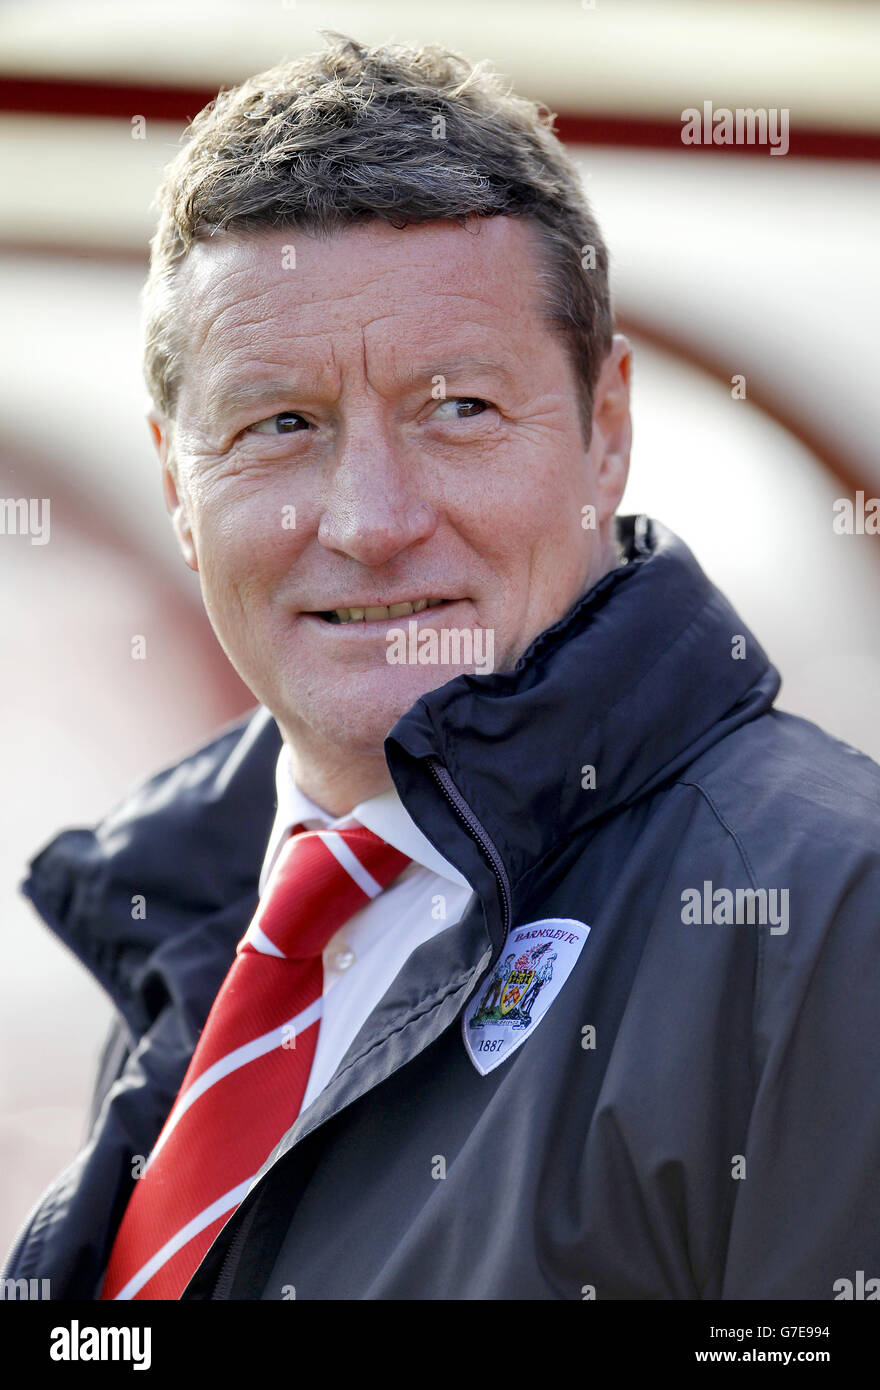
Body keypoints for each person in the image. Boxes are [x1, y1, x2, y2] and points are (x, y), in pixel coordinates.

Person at [4, 32, 880, 1302]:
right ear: (172, 483)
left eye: (458, 407)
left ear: (606, 432)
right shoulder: (196, 933)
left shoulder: (825, 918)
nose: (369, 519)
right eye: (279, 425)